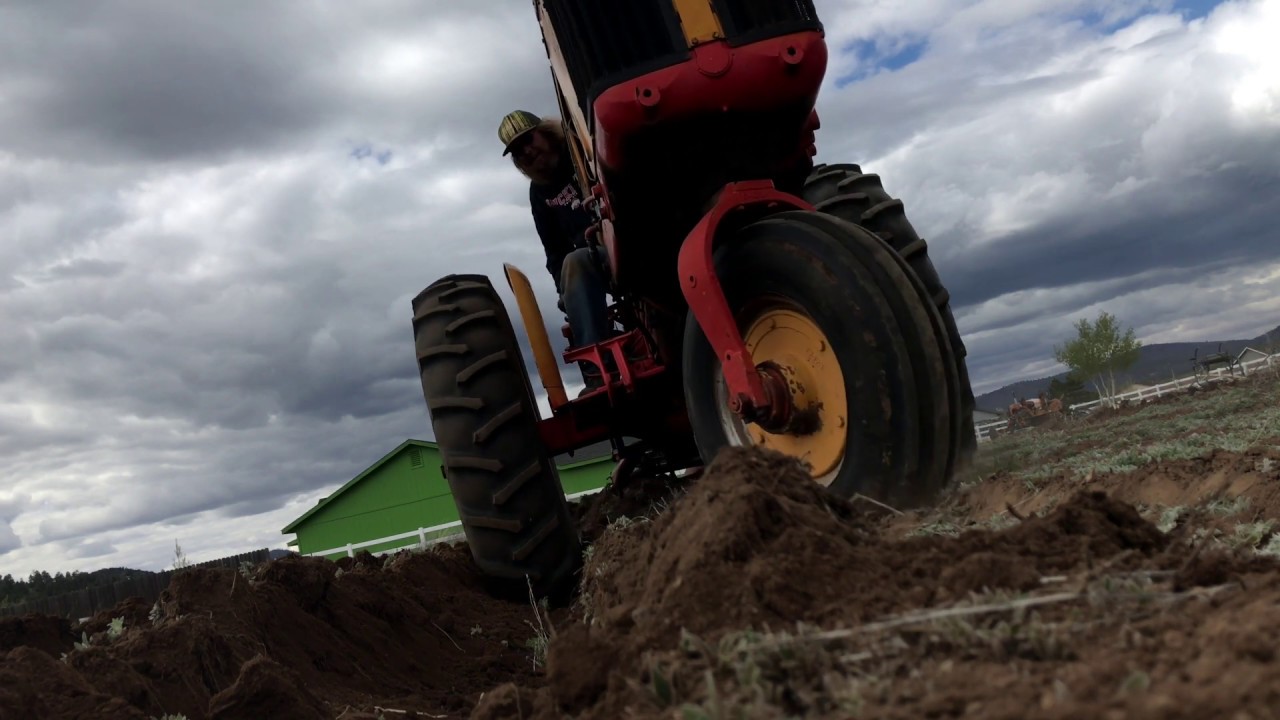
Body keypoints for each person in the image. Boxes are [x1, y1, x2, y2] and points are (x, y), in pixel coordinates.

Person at [499, 109, 613, 393]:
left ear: (546, 133)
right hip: (597, 259)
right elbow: (554, 251)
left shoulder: (581, 149)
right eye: (517, 151)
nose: (526, 151)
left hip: (627, 236)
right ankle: (596, 368)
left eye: (528, 140)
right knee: (573, 264)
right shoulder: (539, 194)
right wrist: (563, 291)